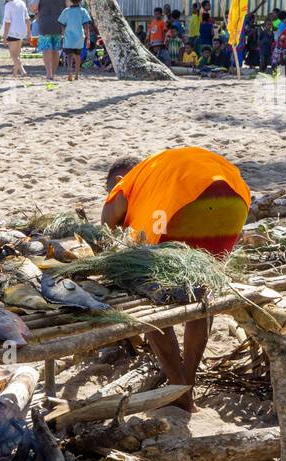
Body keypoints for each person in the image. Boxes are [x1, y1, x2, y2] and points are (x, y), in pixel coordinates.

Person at [101, 147, 251, 409]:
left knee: (149, 298)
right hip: (236, 201)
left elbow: (107, 232)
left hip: (185, 204)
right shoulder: (160, 172)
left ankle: (179, 390)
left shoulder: (126, 184)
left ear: (116, 181)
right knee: (201, 290)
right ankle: (187, 384)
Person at [31, 0, 68, 81]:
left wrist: (35, 11)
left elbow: (34, 7)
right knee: (56, 49)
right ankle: (54, 73)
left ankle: (49, 73)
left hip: (45, 22)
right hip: (59, 22)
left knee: (46, 48)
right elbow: (69, 4)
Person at [58, 0, 92, 80]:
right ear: (80, 0)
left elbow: (62, 24)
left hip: (68, 36)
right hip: (79, 37)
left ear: (70, 0)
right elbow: (86, 25)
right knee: (77, 55)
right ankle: (76, 74)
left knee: (69, 55)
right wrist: (88, 38)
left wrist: (63, 33)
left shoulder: (66, 11)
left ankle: (69, 72)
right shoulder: (83, 11)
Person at [0, 0, 29, 77]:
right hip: (21, 31)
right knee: (17, 54)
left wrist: (4, 37)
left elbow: (7, 22)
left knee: (13, 55)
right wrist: (28, 33)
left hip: (12, 31)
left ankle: (23, 71)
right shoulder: (22, 3)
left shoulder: (8, 5)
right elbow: (27, 19)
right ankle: (15, 73)